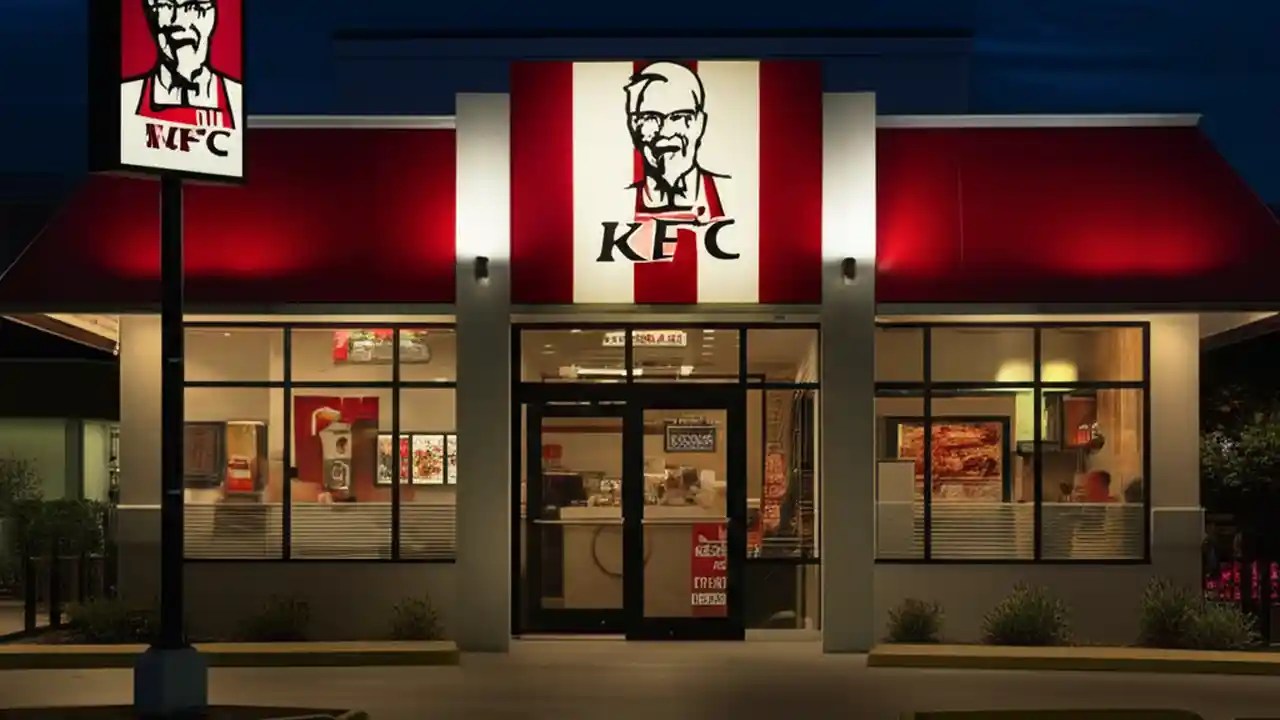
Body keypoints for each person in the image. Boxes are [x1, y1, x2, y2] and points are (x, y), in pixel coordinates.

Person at [624, 62, 728, 215]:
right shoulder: (615, 201)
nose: (666, 132)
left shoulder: (733, 194)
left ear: (700, 123)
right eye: (651, 117)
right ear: (633, 126)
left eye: (679, 116)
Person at [121, 0, 241, 130]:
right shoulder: (127, 99)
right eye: (165, 6)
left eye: (195, 6)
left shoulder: (236, 98)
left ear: (212, 16)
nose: (178, 20)